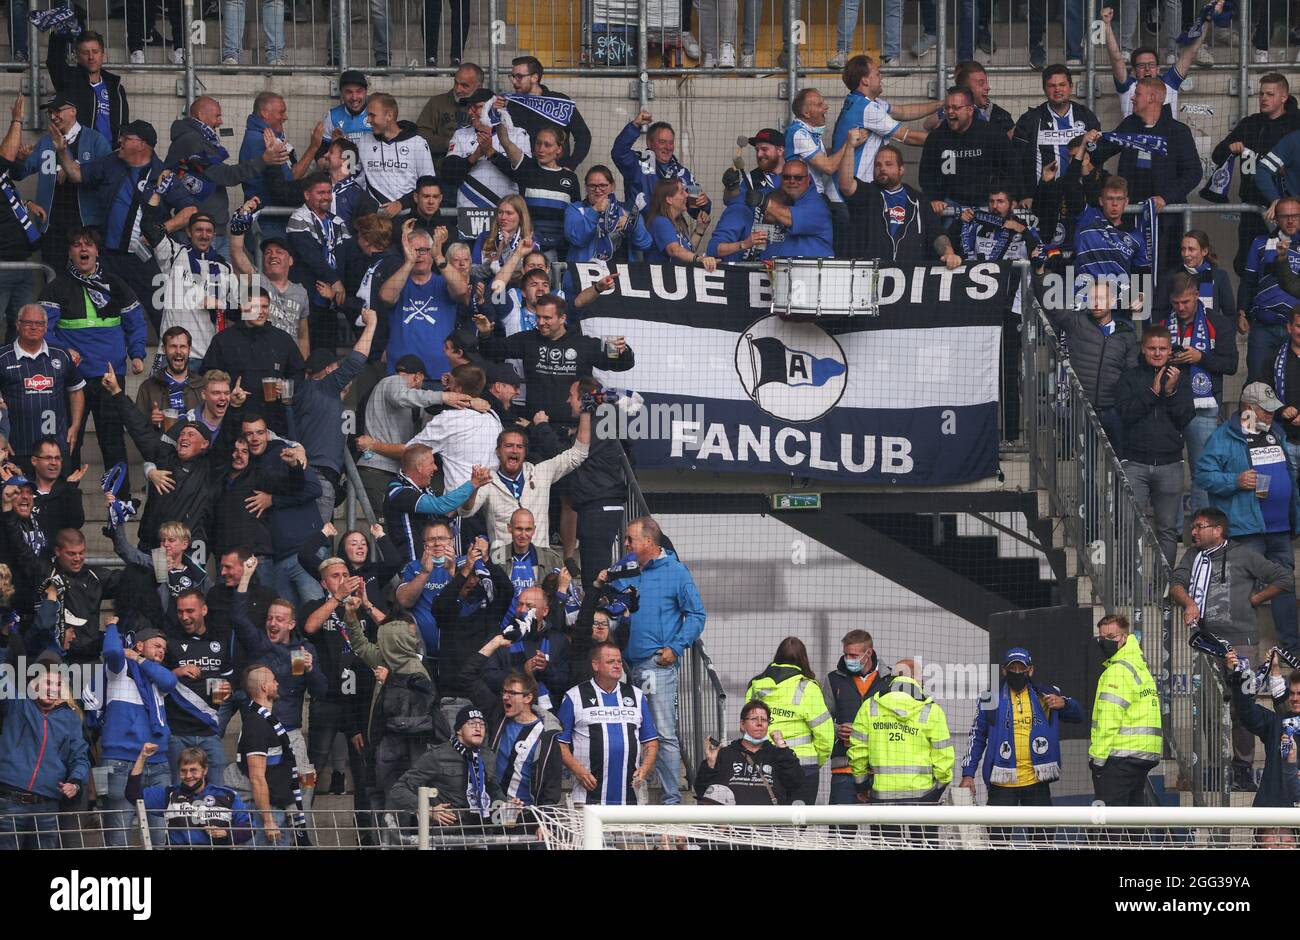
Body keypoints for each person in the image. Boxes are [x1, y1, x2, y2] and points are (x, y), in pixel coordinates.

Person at [1171, 506, 1296, 787]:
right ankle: (1217, 767)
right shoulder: (1192, 555)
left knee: (1243, 708)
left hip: (1241, 643)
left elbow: (1285, 578)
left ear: (1218, 530)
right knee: (1208, 707)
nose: (1193, 532)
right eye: (1193, 527)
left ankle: (1242, 769)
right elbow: (1176, 584)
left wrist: (1257, 598)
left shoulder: (1243, 554)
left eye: (1199, 526)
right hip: (1205, 643)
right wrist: (1189, 602)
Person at [54, 120, 198, 335]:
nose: (120, 141)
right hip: (109, 257)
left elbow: (191, 211)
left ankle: (170, 363)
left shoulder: (161, 173)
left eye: (127, 138)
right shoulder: (111, 162)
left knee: (161, 313)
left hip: (146, 259)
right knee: (103, 311)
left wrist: (160, 231)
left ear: (142, 144)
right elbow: (76, 174)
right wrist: (63, 152)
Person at [1195, 384, 1300, 656]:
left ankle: (1292, 649)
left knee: (1285, 586)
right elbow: (1203, 474)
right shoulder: (1224, 436)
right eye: (1266, 411)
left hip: (1279, 528)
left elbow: (1287, 474)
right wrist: (1235, 480)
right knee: (1240, 591)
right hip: (1247, 530)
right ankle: (1236, 651)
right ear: (1249, 409)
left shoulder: (1275, 432)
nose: (1270, 416)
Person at [613, 517, 704, 806]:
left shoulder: (675, 572)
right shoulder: (625, 568)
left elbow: (697, 614)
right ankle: (630, 794)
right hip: (621, 665)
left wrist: (676, 648)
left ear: (649, 542)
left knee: (662, 732)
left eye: (630, 539)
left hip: (655, 665)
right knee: (625, 731)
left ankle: (671, 802)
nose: (625, 543)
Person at [1088, 80, 1204, 270]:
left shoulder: (1177, 131)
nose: (1132, 98)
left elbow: (1194, 172)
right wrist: (1090, 143)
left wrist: (1166, 198)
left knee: (1163, 273)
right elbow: (1101, 153)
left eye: (1138, 94)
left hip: (1166, 221)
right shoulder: (1129, 125)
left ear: (1152, 98)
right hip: (1130, 219)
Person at [959, 648, 1083, 813]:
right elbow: (977, 736)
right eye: (1012, 668)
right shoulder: (990, 697)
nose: (1017, 672)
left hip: (1037, 780)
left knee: (1042, 836)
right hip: (1001, 780)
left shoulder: (1046, 694)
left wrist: (1066, 704)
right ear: (1004, 670)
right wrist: (968, 774)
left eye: (1021, 668)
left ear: (1030, 670)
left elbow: (1079, 716)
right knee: (998, 837)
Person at [165, 95, 290, 257]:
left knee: (225, 278)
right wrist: (264, 160)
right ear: (201, 116)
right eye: (217, 116)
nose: (220, 122)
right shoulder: (191, 141)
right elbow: (225, 175)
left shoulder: (200, 139)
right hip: (200, 232)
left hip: (215, 228)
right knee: (201, 280)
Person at [1114, 324, 1195, 564]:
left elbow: (1185, 418)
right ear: (1143, 349)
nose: (1157, 353)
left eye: (1162, 348)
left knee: (1167, 531)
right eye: (1152, 349)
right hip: (1135, 463)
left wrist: (1169, 393)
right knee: (1129, 528)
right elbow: (1125, 414)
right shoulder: (1129, 377)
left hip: (1171, 463)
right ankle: (1128, 588)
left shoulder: (1181, 378)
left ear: (1170, 350)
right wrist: (1154, 391)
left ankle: (1165, 589)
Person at [1161, 269, 1239, 516]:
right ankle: (1172, 533)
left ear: (1197, 295)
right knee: (1167, 471)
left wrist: (1200, 357)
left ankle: (1201, 529)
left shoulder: (1217, 322)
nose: (1181, 308)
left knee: (1203, 472)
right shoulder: (1164, 324)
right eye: (1176, 303)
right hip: (1169, 405)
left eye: (1186, 301)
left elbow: (1231, 365)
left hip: (1203, 407)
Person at [7, 94, 111, 274]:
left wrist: (78, 170)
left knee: (86, 281)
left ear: (73, 111)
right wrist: (20, 160)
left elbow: (109, 175)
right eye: (50, 112)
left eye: (57, 111)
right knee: (54, 279)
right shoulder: (46, 142)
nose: (53, 116)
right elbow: (19, 174)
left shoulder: (95, 140)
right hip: (52, 227)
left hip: (85, 228)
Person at [847, 659, 954, 831]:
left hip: (882, 796)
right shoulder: (931, 710)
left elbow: (857, 751)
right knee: (923, 846)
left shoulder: (870, 707)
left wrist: (861, 785)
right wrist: (938, 788)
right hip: (924, 797)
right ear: (918, 680)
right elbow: (943, 757)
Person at [458, 410, 590, 549]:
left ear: (525, 452)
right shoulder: (487, 480)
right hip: (503, 564)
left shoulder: (540, 473)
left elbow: (577, 455)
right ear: (497, 451)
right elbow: (465, 511)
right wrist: (473, 487)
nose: (514, 450)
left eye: (519, 447)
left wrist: (586, 412)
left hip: (539, 564)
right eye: (508, 446)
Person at [1210, 73, 1300, 277]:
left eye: (1270, 94)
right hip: (1251, 206)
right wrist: (1230, 148)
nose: (1263, 99)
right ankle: (1248, 309)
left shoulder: (1295, 125)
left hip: (1286, 209)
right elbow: (1217, 154)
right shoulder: (1250, 124)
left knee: (1286, 264)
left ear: (1284, 97)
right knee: (1247, 263)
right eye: (1261, 94)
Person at [99, 622, 177, 848]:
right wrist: (111, 627)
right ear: (139, 645)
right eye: (156, 645)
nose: (162, 650)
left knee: (160, 836)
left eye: (164, 647)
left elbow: (171, 681)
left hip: (158, 762)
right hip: (120, 762)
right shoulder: (119, 669)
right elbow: (113, 651)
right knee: (118, 835)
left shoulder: (157, 676)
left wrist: (138, 658)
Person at [293, 312, 377, 524]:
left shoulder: (306, 393)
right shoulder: (324, 386)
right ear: (329, 371)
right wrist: (371, 324)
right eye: (338, 370)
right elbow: (356, 361)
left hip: (304, 473)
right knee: (317, 545)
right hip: (318, 475)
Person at [144, 189, 239, 367]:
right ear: (189, 232)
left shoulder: (224, 267)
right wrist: (158, 192)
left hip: (206, 357)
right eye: (199, 230)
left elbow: (236, 312)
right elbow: (148, 227)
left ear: (214, 235)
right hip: (171, 354)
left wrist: (221, 305)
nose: (204, 235)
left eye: (208, 231)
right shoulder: (174, 253)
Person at [557, 641, 659, 805]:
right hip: (587, 798)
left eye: (619, 661)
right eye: (611, 661)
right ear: (596, 665)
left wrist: (644, 769)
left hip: (631, 797)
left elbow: (651, 742)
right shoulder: (574, 696)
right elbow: (560, 744)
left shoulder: (637, 695)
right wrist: (578, 771)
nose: (617, 665)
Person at [0, 660, 87, 850]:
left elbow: (80, 757)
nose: (52, 689)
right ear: (34, 686)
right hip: (8, 802)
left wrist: (75, 782)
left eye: (58, 685)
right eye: (48, 683)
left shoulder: (70, 718)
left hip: (47, 807)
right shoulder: (17, 704)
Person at [1041, 279, 1139, 447]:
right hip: (1083, 409)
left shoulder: (1126, 334)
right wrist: (1039, 274)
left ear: (1113, 301)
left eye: (1102, 298)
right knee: (1086, 469)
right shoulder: (1077, 323)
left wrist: (1126, 407)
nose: (1096, 302)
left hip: (1115, 411)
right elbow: (1050, 305)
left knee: (1121, 467)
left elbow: (1132, 375)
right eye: (1092, 297)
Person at [200, 288, 305, 438]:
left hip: (274, 418)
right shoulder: (223, 340)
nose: (261, 311)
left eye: (265, 306)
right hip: (234, 416)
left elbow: (299, 372)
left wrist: (287, 386)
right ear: (243, 306)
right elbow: (207, 375)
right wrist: (228, 392)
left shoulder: (282, 339)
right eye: (255, 306)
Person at [831, 56, 938, 197]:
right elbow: (908, 137)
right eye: (877, 73)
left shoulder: (860, 101)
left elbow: (903, 112)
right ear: (865, 80)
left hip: (847, 190)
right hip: (849, 194)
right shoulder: (867, 108)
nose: (881, 77)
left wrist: (940, 104)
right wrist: (950, 141)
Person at [745, 636, 834, 803]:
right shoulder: (807, 687)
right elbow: (825, 735)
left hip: (764, 763)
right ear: (803, 659)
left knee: (767, 824)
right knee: (797, 824)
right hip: (803, 766)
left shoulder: (756, 685)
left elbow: (747, 727)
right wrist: (816, 761)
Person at [387, 704, 506, 829]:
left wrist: (507, 806)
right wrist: (428, 809)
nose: (478, 728)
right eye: (472, 723)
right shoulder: (437, 755)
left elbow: (494, 790)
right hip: (448, 834)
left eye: (482, 725)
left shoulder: (488, 756)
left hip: (483, 830)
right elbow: (399, 789)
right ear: (459, 730)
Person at [837, 145, 960, 265]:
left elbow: (937, 233)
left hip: (909, 277)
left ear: (901, 169)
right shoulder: (866, 193)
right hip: (870, 274)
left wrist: (949, 253)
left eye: (888, 164)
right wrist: (850, 146)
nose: (882, 168)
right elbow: (846, 185)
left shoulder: (918, 200)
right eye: (878, 165)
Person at [1088, 614, 1162, 808]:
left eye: (1111, 637)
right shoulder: (1140, 666)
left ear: (1125, 637)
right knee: (1131, 822)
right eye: (1101, 638)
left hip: (1119, 757)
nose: (1105, 642)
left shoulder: (1117, 671)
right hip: (1144, 755)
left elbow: (1108, 721)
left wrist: (1098, 760)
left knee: (1108, 824)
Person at [378, 223, 468, 381]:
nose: (419, 255)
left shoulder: (443, 282)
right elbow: (385, 297)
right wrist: (408, 262)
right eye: (414, 250)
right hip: (401, 374)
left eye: (424, 250)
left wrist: (439, 255)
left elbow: (462, 290)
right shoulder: (399, 282)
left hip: (440, 374)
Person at [0, 305, 84, 471]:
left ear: (46, 327)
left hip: (55, 448)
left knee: (57, 496)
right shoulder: (3, 358)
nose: (33, 327)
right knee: (20, 496)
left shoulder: (61, 354)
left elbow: (76, 390)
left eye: (38, 323)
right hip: (16, 447)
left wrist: (75, 426)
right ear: (17, 325)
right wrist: (1, 436)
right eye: (27, 323)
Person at [162, 588, 233, 785]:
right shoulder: (170, 641)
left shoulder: (220, 640)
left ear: (204, 610)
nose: (184, 617)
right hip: (177, 732)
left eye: (190, 611)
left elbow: (229, 677)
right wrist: (176, 672)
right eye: (180, 612)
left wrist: (229, 688)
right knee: (178, 792)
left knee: (218, 790)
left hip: (210, 731)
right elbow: (154, 679)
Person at [490, 106, 579, 259]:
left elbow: (576, 217)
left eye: (547, 145)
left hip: (559, 249)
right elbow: (505, 140)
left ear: (559, 149)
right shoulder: (527, 167)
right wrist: (499, 112)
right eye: (538, 143)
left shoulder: (570, 178)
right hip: (528, 246)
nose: (540, 149)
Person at [125, 741, 251, 846]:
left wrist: (226, 833)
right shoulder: (170, 794)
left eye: (193, 770)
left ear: (205, 770)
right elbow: (133, 794)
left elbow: (249, 827)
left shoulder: (227, 795)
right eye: (183, 771)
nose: (188, 776)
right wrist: (142, 757)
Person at [235, 665, 307, 848]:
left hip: (276, 805)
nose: (277, 683)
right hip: (267, 812)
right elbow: (257, 777)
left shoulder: (265, 720)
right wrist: (268, 820)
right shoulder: (257, 724)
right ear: (264, 687)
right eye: (273, 680)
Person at [1101, 6, 1215, 119]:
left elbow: (1192, 51)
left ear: (1158, 69)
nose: (1147, 69)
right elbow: (1116, 58)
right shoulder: (1127, 87)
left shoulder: (1170, 83)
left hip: (1168, 137)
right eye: (1141, 65)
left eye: (1151, 65)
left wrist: (1207, 20)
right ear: (1134, 71)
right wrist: (1106, 25)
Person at [920, 86, 1021, 211]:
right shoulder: (936, 138)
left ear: (970, 109)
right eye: (947, 108)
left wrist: (1013, 197)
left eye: (956, 108)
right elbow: (926, 175)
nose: (950, 112)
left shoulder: (992, 134)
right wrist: (934, 199)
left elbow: (1013, 168)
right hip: (950, 205)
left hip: (987, 204)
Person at [228, 205, 311, 358]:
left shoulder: (301, 292)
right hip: (260, 357)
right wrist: (242, 217)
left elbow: (303, 336)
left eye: (279, 252)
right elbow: (236, 252)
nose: (273, 255)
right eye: (267, 252)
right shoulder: (256, 281)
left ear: (291, 260)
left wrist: (303, 368)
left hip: (289, 360)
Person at [784, 88, 860, 253]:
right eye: (819, 105)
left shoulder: (809, 133)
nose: (825, 107)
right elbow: (828, 167)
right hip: (806, 200)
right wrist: (850, 144)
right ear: (806, 113)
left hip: (816, 196)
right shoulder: (798, 133)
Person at [1223, 647, 1300, 810]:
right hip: (1270, 815)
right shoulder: (1277, 724)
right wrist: (1238, 676)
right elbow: (1247, 713)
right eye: (1292, 693)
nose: (1294, 698)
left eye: (1299, 694)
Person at [710, 159, 833, 261]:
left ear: (808, 180)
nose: (792, 181)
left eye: (798, 178)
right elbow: (735, 200)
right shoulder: (769, 195)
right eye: (786, 177)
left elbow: (789, 217)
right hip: (767, 275)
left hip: (815, 275)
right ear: (780, 179)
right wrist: (731, 188)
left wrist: (764, 203)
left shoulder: (817, 205)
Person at [382, 446, 487, 564]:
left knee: (475, 564)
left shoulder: (423, 489)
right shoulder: (398, 491)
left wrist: (475, 487)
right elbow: (440, 506)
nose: (436, 468)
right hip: (412, 567)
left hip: (431, 563)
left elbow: (448, 512)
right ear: (419, 467)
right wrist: (472, 484)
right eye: (432, 463)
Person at [1012, 66, 1102, 195]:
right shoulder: (1030, 119)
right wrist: (1023, 195)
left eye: (1062, 84)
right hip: (1042, 199)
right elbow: (1016, 162)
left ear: (1070, 86)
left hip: (1081, 197)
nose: (1057, 89)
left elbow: (1098, 157)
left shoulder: (1086, 116)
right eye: (1052, 85)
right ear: (1044, 89)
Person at [825, 629, 890, 806]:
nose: (848, 659)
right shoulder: (832, 680)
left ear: (868, 653)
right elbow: (821, 719)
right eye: (846, 654)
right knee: (841, 831)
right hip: (844, 768)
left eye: (853, 655)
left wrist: (865, 733)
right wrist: (837, 730)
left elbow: (897, 721)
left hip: (881, 769)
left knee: (883, 832)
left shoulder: (889, 681)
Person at [695, 699, 804, 805]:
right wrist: (710, 764)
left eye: (764, 720)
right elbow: (702, 791)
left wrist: (782, 747)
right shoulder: (725, 754)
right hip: (732, 821)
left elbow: (796, 784)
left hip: (769, 820)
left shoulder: (778, 754)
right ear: (742, 724)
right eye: (754, 719)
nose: (760, 724)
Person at [287, 172, 351, 349]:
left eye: (329, 192)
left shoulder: (337, 221)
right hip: (308, 295)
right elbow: (311, 257)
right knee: (307, 351)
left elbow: (347, 257)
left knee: (328, 352)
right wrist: (334, 280)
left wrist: (339, 287)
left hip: (331, 297)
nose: (326, 197)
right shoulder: (299, 218)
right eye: (320, 192)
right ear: (307, 195)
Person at [1239, 197, 1300, 381]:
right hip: (1264, 326)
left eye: (1295, 216)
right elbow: (1248, 281)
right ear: (1275, 218)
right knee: (1257, 382)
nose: (1290, 221)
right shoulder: (1260, 242)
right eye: (1285, 216)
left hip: (1296, 328)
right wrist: (1242, 312)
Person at [611, 110, 711, 219]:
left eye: (671, 142)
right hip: (640, 233)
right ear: (649, 143)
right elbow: (619, 152)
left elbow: (696, 210)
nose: (668, 147)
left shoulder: (682, 173)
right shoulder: (639, 165)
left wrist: (704, 203)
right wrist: (635, 125)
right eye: (662, 142)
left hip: (670, 233)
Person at [484, 586, 570, 710]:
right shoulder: (501, 638)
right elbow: (488, 677)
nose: (522, 610)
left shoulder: (558, 640)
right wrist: (523, 672)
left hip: (549, 716)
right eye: (520, 605)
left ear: (545, 611)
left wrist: (546, 669)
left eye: (529, 606)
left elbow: (565, 683)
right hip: (506, 711)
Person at [443, 90, 530, 211]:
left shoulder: (517, 134)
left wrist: (491, 153)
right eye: (469, 108)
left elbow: (525, 175)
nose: (470, 112)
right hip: (469, 211)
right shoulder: (460, 135)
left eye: (477, 107)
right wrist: (475, 156)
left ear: (492, 108)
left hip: (505, 211)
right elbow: (448, 175)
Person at [504, 56, 591, 170]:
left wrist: (570, 165)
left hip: (555, 175)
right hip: (525, 174)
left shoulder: (559, 102)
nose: (514, 81)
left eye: (519, 77)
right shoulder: (513, 105)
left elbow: (583, 136)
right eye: (513, 76)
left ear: (534, 77)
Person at [1072, 175, 1151, 302]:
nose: (1114, 204)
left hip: (1118, 304)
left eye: (1119, 199)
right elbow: (1069, 185)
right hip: (1085, 301)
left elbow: (1143, 274)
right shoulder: (1087, 218)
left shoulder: (1136, 237)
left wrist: (1140, 296)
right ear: (1101, 201)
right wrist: (1078, 160)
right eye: (1110, 199)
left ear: (1126, 201)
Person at [45, 29, 128, 146]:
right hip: (80, 152)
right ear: (77, 56)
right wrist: (59, 34)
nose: (91, 57)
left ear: (103, 55)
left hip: (110, 154)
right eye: (85, 52)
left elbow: (124, 124)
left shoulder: (116, 87)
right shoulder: (69, 79)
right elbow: (54, 62)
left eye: (95, 52)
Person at [358, 94, 436, 216]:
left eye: (372, 115)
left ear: (389, 115)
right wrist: (342, 145)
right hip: (374, 221)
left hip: (408, 218)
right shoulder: (363, 141)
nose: (368, 120)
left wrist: (401, 204)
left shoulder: (417, 143)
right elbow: (350, 174)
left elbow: (428, 184)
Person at [564, 165, 653, 265]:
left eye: (603, 185)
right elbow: (577, 239)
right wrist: (594, 210)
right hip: (585, 273)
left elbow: (645, 245)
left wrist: (632, 226)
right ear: (586, 187)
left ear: (612, 186)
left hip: (621, 274)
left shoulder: (628, 211)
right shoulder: (575, 209)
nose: (597, 190)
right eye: (592, 185)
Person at [416, 62, 483, 167]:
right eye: (456, 83)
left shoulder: (488, 107)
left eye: (465, 85)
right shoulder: (437, 103)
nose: (458, 89)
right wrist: (451, 144)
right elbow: (421, 135)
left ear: (479, 87)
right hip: (442, 167)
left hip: (478, 168)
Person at [643, 178, 717, 268]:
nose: (686, 195)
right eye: (682, 192)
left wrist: (699, 230)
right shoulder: (661, 222)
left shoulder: (678, 221)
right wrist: (700, 259)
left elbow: (686, 251)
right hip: (661, 280)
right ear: (669, 200)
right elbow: (674, 250)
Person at [28, 437, 84, 542]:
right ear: (34, 461)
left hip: (56, 555)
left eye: (57, 458)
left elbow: (76, 523)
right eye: (48, 458)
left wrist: (71, 489)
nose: (54, 462)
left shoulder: (67, 490)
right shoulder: (24, 489)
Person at [321, 70, 373, 145]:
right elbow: (321, 153)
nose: (354, 97)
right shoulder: (332, 116)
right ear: (341, 93)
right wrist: (336, 144)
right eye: (349, 92)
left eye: (359, 91)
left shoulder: (376, 113)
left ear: (366, 91)